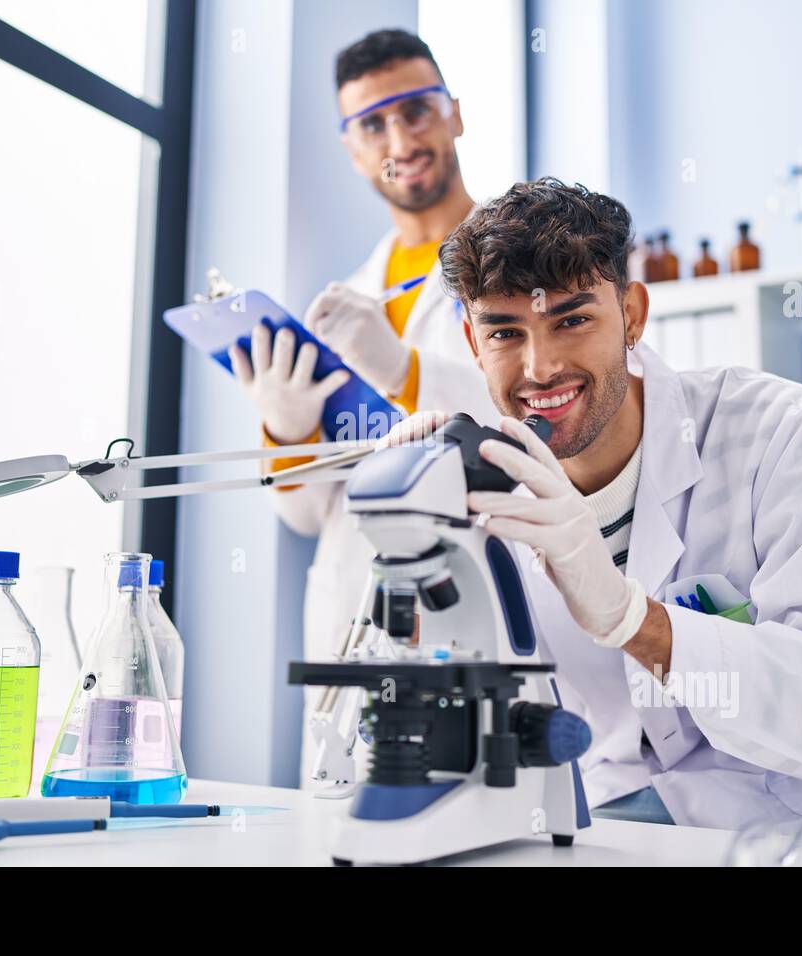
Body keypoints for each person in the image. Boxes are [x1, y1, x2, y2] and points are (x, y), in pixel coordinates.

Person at [391, 178, 802, 854]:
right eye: (506, 332)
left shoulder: (775, 433)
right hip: (661, 830)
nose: (541, 367)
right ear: (472, 344)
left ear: (632, 313)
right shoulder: (485, 486)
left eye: (572, 319)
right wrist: (411, 528)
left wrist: (635, 620)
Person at [229, 30, 491, 782]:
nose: (399, 138)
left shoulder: (525, 267)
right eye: (372, 123)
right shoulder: (351, 295)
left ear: (455, 115)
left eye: (415, 110)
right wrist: (288, 425)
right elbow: (307, 515)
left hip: (474, 584)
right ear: (351, 148)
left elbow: (543, 426)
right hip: (355, 600)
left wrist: (405, 369)